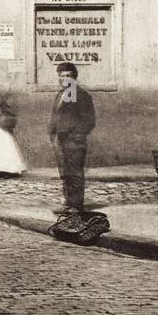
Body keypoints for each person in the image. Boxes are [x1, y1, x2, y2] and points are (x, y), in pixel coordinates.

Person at [49, 62, 96, 214]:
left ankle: (76, 205)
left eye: (68, 76)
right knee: (66, 173)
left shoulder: (81, 95)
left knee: (75, 172)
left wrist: (76, 136)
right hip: (61, 140)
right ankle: (68, 203)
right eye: (61, 76)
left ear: (74, 78)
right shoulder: (60, 95)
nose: (64, 79)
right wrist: (53, 132)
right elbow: (56, 116)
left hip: (74, 141)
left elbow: (89, 120)